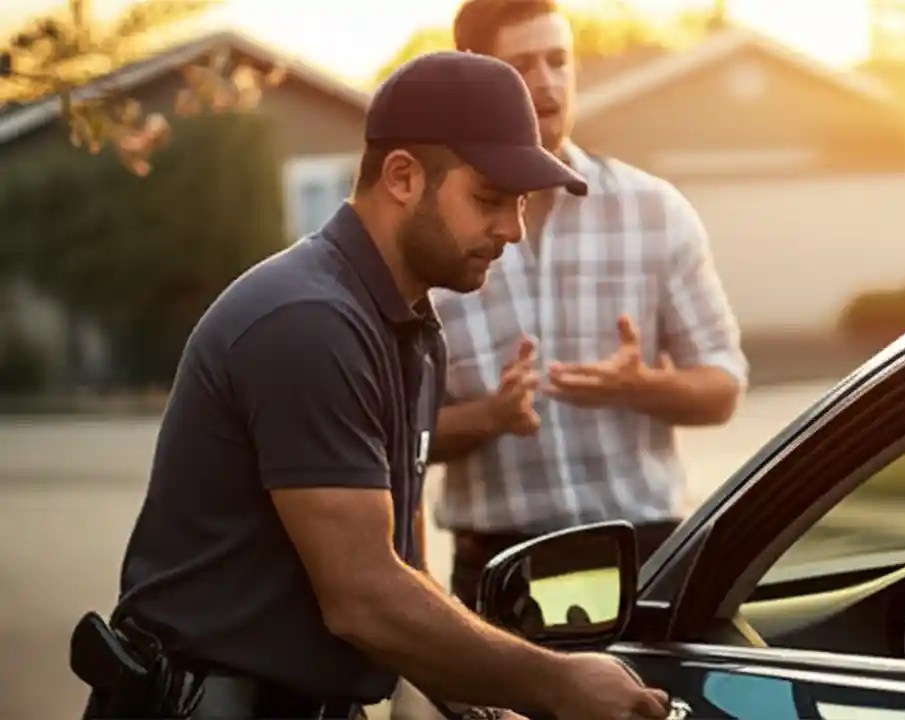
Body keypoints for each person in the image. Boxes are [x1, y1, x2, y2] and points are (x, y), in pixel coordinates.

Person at [73, 51, 669, 720]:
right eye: (490, 198)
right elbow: (363, 597)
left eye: (522, 202)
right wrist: (557, 685)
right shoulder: (307, 323)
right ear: (403, 177)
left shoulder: (404, 329)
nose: (513, 229)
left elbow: (397, 571)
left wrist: (477, 696)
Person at [430, 0, 749, 611]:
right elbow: (397, 437)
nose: (547, 82)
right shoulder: (433, 233)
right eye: (522, 64)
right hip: (498, 571)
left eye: (559, 60)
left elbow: (723, 386)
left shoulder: (654, 210)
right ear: (475, 82)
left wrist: (641, 387)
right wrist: (488, 418)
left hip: (644, 556)